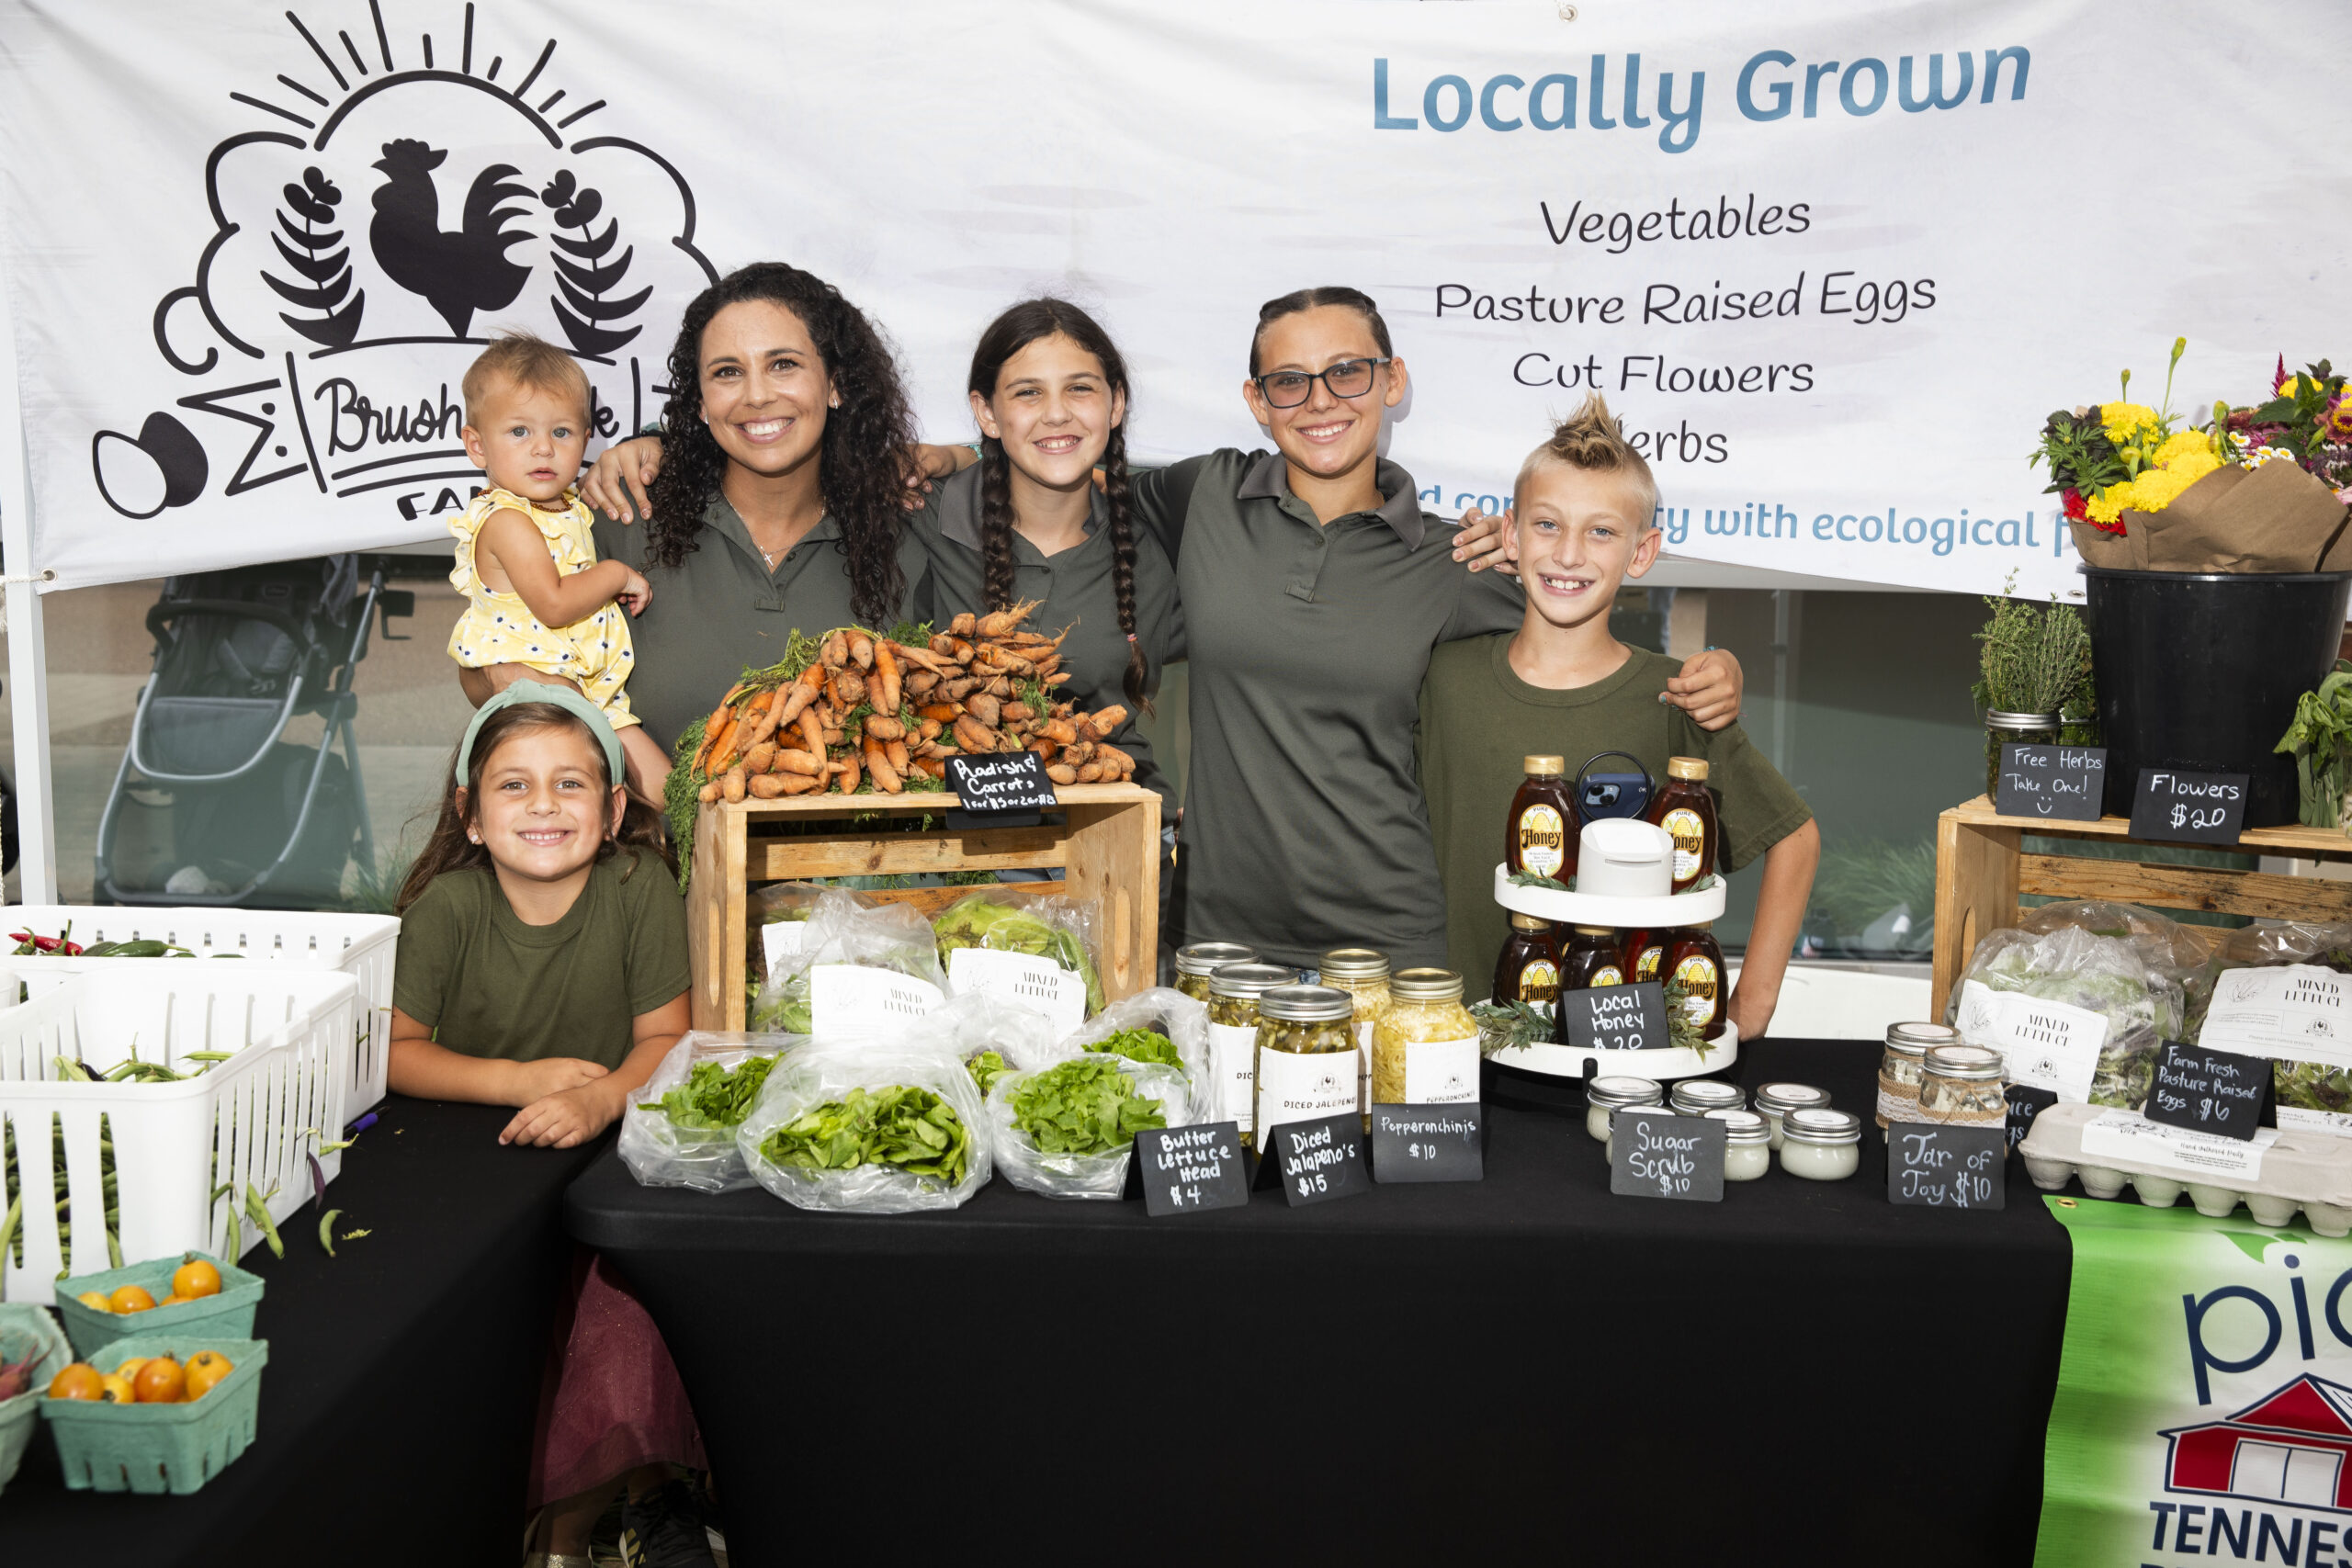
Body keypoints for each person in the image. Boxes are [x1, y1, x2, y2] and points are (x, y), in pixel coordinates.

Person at [1123, 286, 1745, 973]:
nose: (1322, 400)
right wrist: (976, 466)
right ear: (1256, 400)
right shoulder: (1203, 495)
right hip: (1214, 942)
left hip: (1389, 955)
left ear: (1393, 380)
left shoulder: (1455, 560)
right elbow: (1066, 502)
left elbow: (1583, 651)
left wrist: (1713, 666)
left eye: (1348, 371)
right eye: (1290, 381)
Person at [388, 684, 713, 1566]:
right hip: (475, 1156)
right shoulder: (445, 909)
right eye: (514, 786)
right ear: (471, 812)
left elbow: (665, 1040)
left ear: (612, 810)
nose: (542, 805)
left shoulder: (640, 886)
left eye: (570, 785)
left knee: (623, 1292)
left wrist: (602, 1096)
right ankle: (548, 1522)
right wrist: (518, 1080)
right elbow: (396, 1052)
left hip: (607, 1147)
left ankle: (631, 1501)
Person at [1418, 395, 1818, 1038]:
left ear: (1642, 551)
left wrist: (1749, 1010)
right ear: (1511, 536)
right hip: (1461, 1053)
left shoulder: (1675, 693)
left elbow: (1795, 839)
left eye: (1601, 531)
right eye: (1547, 525)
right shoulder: (1443, 677)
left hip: (1622, 1063)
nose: (1570, 554)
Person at [468, 263, 930, 758]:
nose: (757, 395)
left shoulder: (908, 523)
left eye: (784, 364)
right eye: (727, 372)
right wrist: (502, 679)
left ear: (835, 383)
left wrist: (967, 451)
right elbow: (490, 656)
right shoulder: (623, 512)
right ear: (702, 403)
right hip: (648, 836)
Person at [447, 333, 671, 800]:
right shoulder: (507, 520)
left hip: (589, 695)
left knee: (678, 795)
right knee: (574, 804)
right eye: (519, 432)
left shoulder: (570, 509)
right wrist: (616, 574)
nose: (544, 449)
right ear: (477, 445)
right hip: (537, 701)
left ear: (586, 439)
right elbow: (552, 604)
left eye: (561, 432)